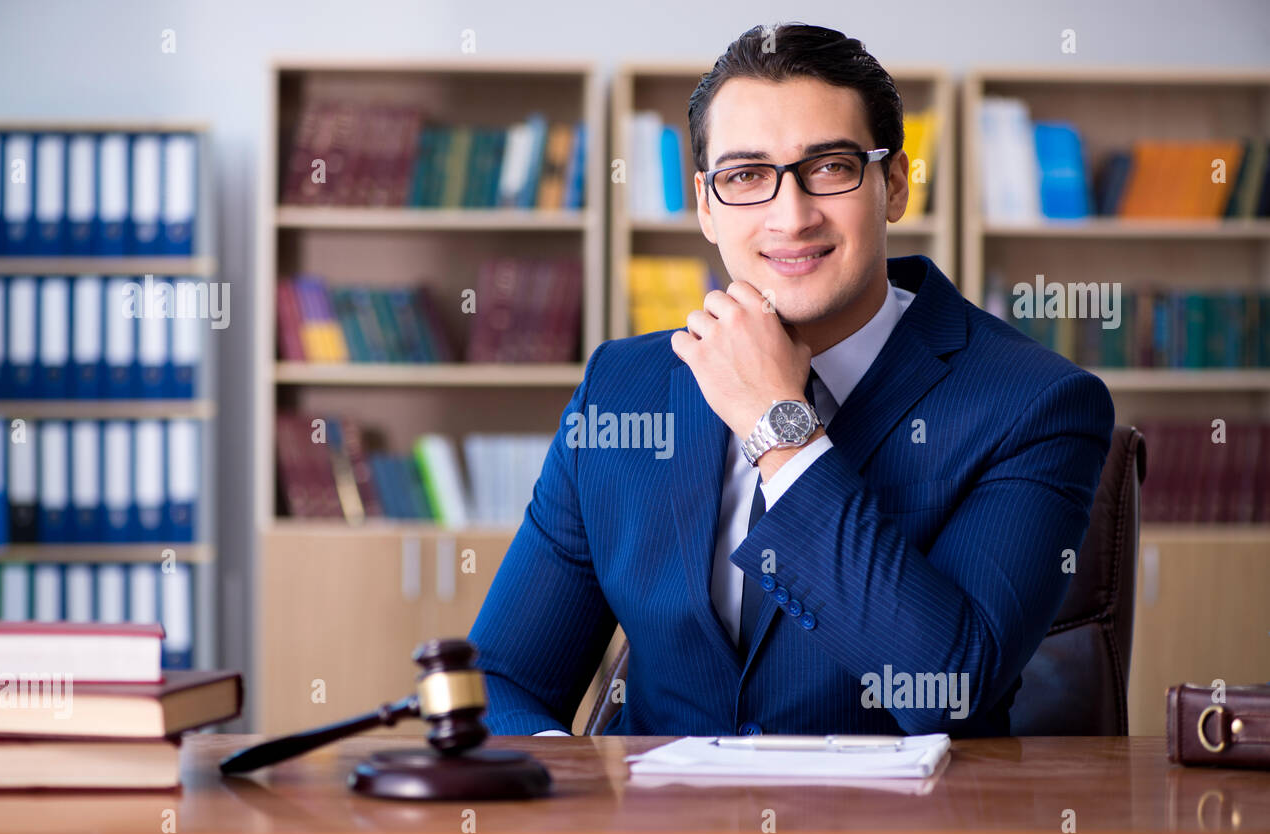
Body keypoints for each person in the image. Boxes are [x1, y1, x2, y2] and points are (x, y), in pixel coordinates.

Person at [467, 22, 1114, 737]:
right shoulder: (622, 389)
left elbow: (948, 689)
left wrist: (780, 428)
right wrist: (578, 795)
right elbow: (501, 679)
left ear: (893, 185)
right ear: (707, 206)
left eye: (831, 167)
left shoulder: (1035, 404)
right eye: (746, 176)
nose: (791, 215)